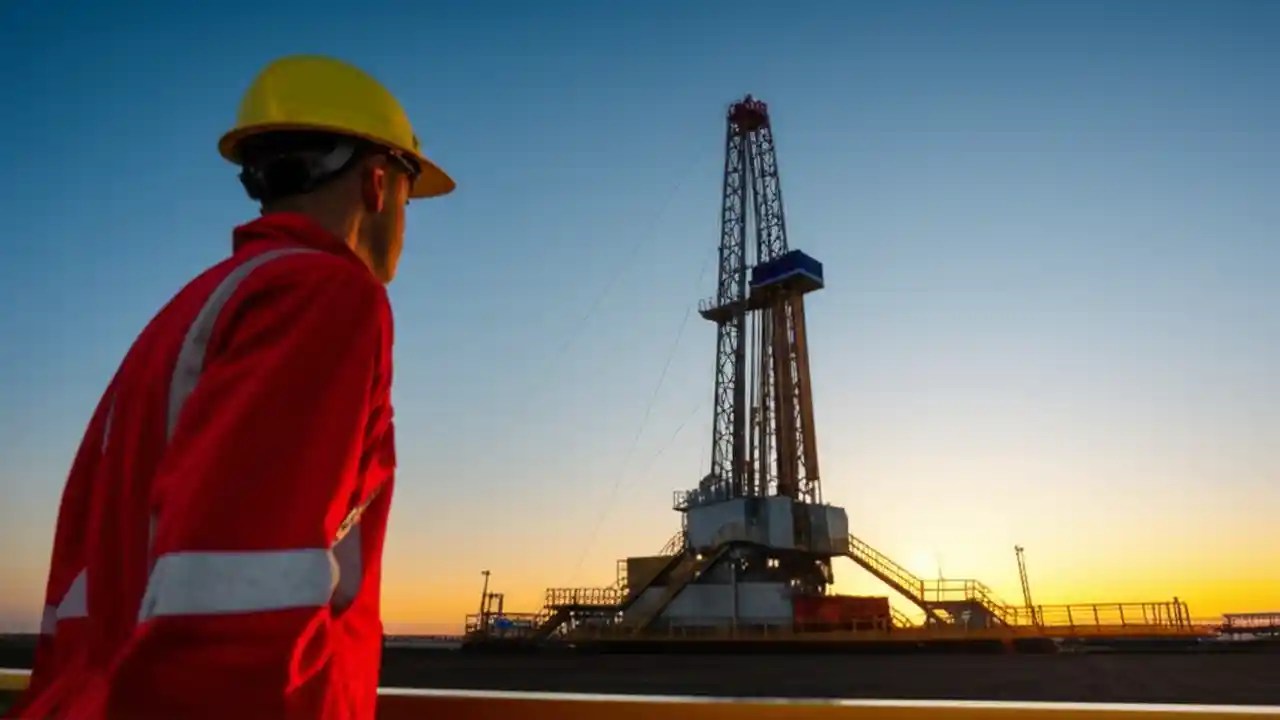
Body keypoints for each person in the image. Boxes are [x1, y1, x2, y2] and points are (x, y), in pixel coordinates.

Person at [9, 54, 454, 720]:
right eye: (410, 200)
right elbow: (237, 608)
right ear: (378, 184)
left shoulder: (190, 313)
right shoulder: (322, 295)